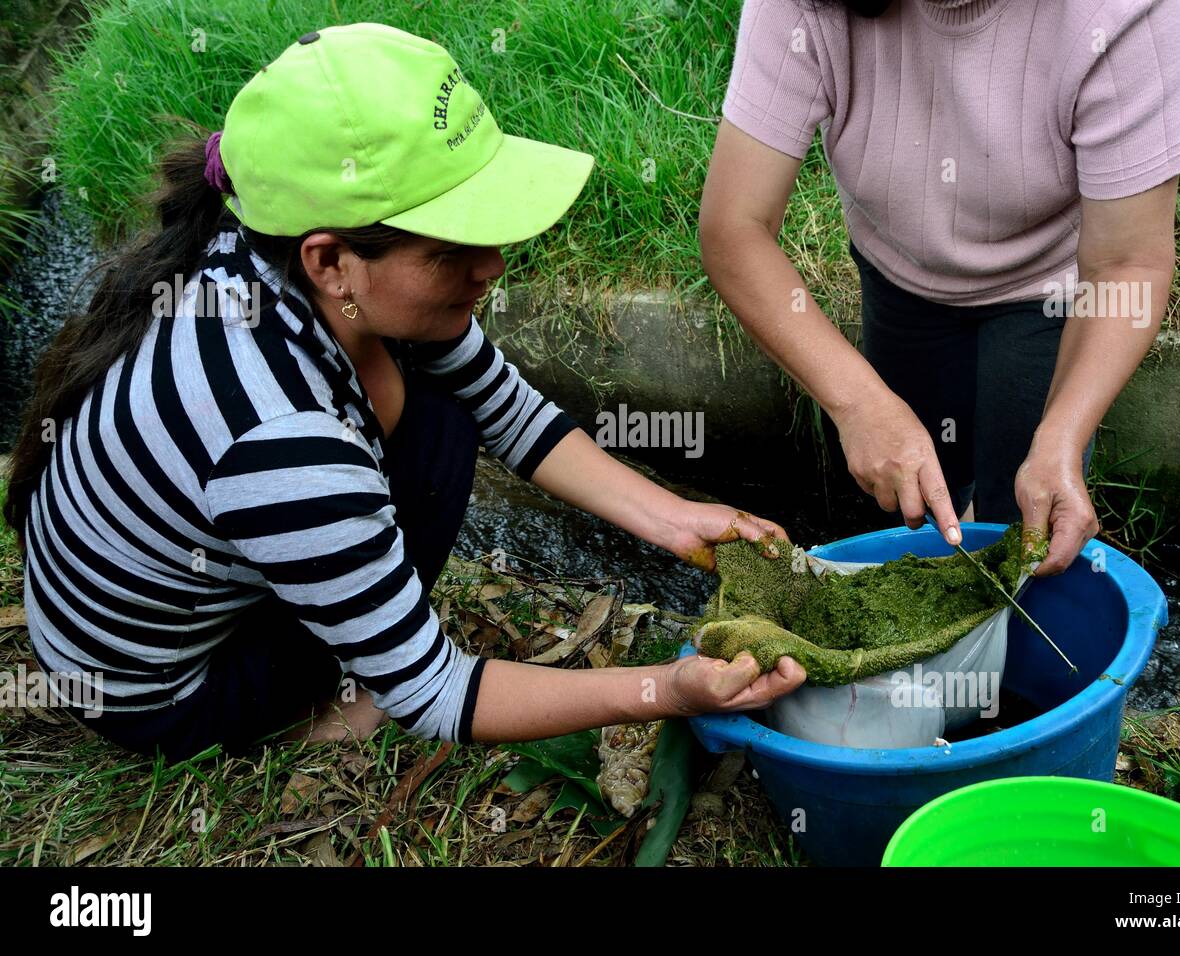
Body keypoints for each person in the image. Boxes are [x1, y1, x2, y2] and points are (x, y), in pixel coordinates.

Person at [2, 23, 805, 765]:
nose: (492, 265)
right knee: (441, 440)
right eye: (453, 247)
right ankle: (317, 706)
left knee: (447, 405)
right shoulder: (280, 438)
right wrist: (666, 690)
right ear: (331, 261)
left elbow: (509, 408)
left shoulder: (269, 250)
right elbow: (436, 690)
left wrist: (675, 520)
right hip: (168, 695)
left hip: (143, 618)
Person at [699, 0, 1180, 573]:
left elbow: (1127, 265)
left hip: (1047, 289)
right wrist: (858, 404)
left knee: (1020, 525)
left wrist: (1063, 439)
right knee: (915, 503)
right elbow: (735, 227)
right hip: (895, 269)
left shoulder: (1130, 10)